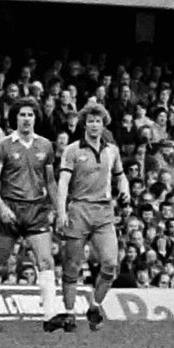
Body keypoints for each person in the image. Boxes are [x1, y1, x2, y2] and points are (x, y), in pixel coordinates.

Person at [0, 97, 62, 333]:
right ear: (15, 118)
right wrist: (1, 207)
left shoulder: (46, 146)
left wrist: (58, 209)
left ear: (35, 118)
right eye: (22, 115)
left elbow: (50, 181)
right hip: (11, 209)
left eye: (30, 115)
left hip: (36, 209)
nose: (27, 119)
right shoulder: (4, 145)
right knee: (0, 264)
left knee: (45, 260)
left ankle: (49, 317)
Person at [52, 102, 129, 331]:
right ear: (84, 124)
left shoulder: (111, 150)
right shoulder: (73, 150)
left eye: (98, 121)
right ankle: (68, 313)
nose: (94, 125)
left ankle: (94, 306)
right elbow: (63, 182)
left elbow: (121, 176)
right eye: (90, 121)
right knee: (72, 264)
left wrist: (124, 190)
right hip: (79, 209)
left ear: (103, 123)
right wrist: (61, 211)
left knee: (110, 263)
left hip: (104, 212)